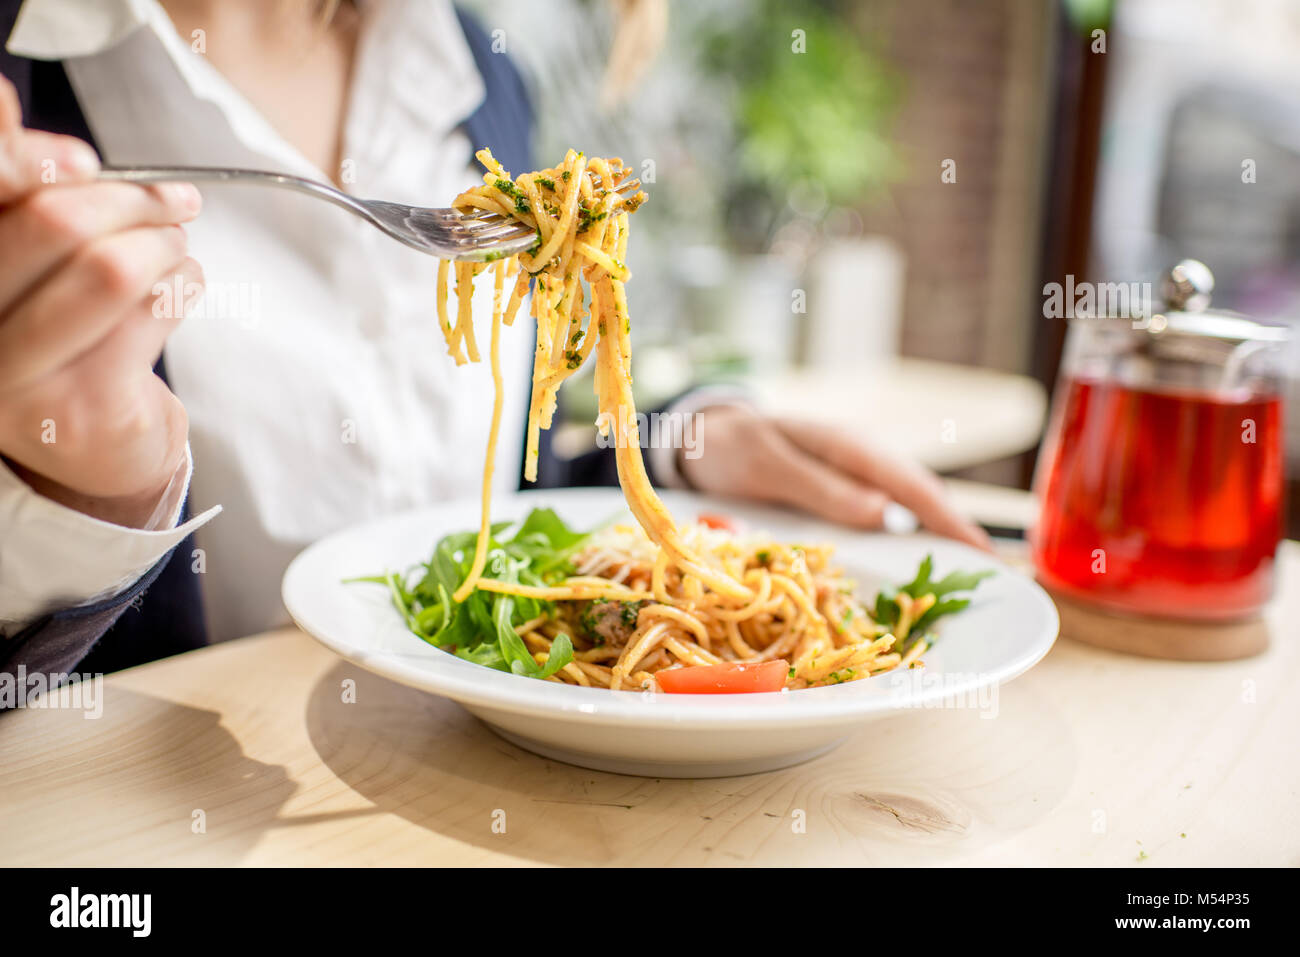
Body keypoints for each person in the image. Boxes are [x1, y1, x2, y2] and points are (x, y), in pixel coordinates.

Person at [0, 0, 988, 685]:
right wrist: (79, 504)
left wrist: (674, 449)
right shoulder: (25, 84)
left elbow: (479, 524)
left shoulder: (476, 62)